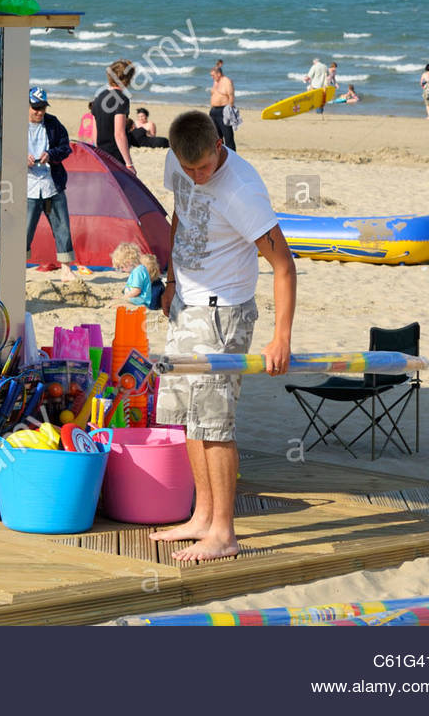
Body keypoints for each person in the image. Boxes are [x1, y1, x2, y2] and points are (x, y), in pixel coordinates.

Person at [150, 110, 297, 561]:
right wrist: (172, 282)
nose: (196, 176)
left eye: (203, 168)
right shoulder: (178, 164)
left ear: (218, 147)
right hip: (185, 307)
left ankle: (224, 533)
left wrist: (281, 338)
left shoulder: (242, 191)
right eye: (188, 168)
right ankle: (202, 518)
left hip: (224, 316)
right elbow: (179, 214)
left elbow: (284, 267)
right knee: (189, 420)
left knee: (214, 425)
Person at [25, 87, 77, 270]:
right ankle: (19, 267)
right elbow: (5, 150)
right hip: (28, 186)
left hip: (52, 183)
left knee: (62, 226)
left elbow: (65, 147)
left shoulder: (53, 123)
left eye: (42, 108)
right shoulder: (15, 123)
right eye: (35, 107)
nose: (39, 112)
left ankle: (66, 268)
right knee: (25, 230)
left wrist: (51, 154)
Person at [91, 59, 136, 173]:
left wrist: (97, 151)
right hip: (115, 154)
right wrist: (129, 164)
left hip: (101, 153)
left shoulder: (98, 97)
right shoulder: (121, 98)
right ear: (127, 79)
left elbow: (94, 132)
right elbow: (119, 134)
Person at [111, 241, 160, 308]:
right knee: (114, 304)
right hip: (136, 301)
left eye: (122, 267)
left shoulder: (138, 271)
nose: (122, 270)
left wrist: (123, 298)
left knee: (115, 306)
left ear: (129, 261)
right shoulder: (139, 269)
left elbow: (136, 291)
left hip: (139, 302)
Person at [208, 64, 237, 151]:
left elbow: (231, 96)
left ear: (219, 74)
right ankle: (219, 155)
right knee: (216, 136)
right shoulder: (216, 81)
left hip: (224, 110)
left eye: (213, 75)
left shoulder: (227, 81)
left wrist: (230, 111)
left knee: (228, 136)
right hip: (214, 111)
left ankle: (232, 156)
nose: (212, 77)